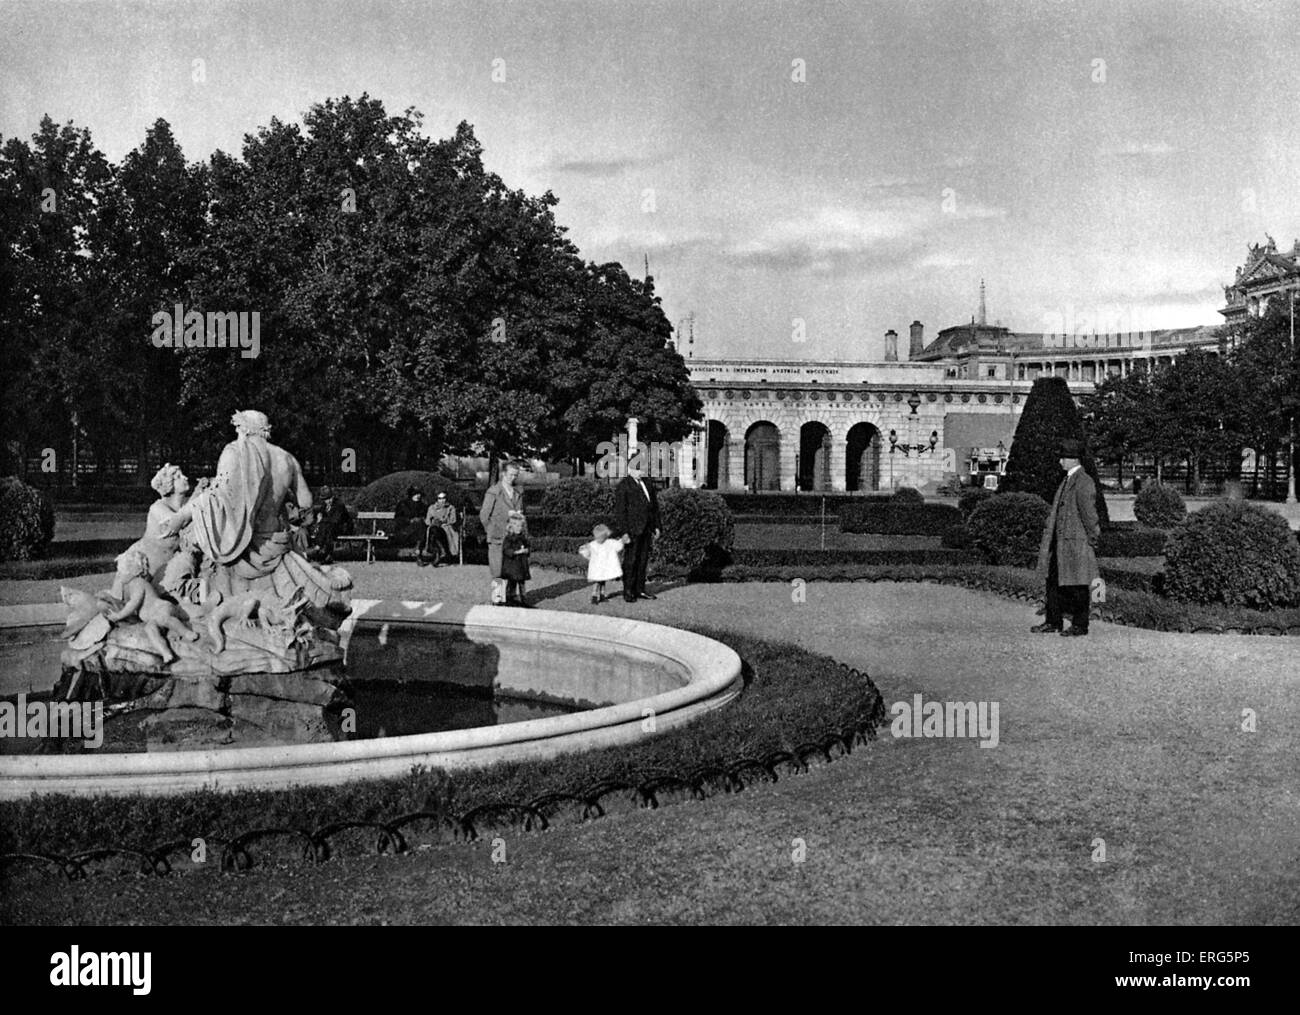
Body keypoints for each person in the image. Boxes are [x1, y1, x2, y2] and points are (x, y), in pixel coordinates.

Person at [1034, 438, 1101, 637]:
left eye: (1063, 457)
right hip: (1061, 543)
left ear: (1073, 459)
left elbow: (1090, 516)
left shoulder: (1083, 481)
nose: (1060, 461)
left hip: (1076, 543)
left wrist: (1092, 540)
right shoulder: (1068, 479)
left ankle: (1081, 625)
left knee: (1079, 585)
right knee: (1053, 582)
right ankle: (1053, 622)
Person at [479, 460, 525, 604]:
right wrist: (492, 530)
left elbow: (523, 515)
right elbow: (484, 515)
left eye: (515, 475)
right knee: (497, 569)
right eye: (511, 475)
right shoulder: (494, 492)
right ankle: (497, 598)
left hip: (514, 538)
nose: (513, 478)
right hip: (497, 537)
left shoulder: (518, 492)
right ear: (503, 474)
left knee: (514, 568)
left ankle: (511, 596)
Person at [613, 463, 660, 602]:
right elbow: (620, 512)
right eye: (638, 469)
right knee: (631, 560)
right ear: (630, 470)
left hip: (646, 528)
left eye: (642, 469)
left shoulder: (647, 483)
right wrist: (624, 532)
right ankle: (628, 590)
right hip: (632, 529)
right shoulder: (624, 485)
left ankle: (640, 589)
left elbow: (654, 507)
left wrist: (657, 526)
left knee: (643, 560)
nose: (641, 472)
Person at [578, 522, 623, 604]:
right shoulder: (593, 544)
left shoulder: (608, 543)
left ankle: (602, 594)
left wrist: (622, 541)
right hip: (597, 568)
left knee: (603, 581)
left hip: (603, 567)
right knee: (597, 582)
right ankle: (594, 595)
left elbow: (617, 545)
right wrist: (585, 548)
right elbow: (586, 552)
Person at [310, 485, 353, 564]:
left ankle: (319, 548)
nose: (326, 501)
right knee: (327, 528)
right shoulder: (325, 505)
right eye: (324, 499)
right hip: (330, 529)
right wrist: (320, 516)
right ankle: (327, 555)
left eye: (327, 499)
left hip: (343, 527)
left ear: (332, 497)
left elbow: (336, 520)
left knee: (327, 527)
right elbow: (322, 514)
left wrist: (321, 520)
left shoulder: (339, 505)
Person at [500, 510, 532, 607]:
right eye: (517, 526)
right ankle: (509, 599)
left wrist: (527, 551)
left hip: (521, 565)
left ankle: (524, 601)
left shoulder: (523, 538)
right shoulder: (509, 538)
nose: (520, 528)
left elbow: (528, 547)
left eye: (521, 526)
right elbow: (506, 550)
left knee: (522, 584)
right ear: (511, 527)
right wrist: (516, 552)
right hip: (512, 566)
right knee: (512, 583)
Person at [393, 486, 429, 564]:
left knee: (420, 525)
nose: (418, 495)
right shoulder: (403, 504)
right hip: (405, 530)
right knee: (419, 525)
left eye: (419, 494)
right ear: (411, 494)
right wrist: (410, 520)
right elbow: (398, 518)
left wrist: (421, 519)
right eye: (416, 494)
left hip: (419, 530)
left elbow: (426, 517)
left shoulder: (423, 506)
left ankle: (418, 552)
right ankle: (418, 553)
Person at [425, 491, 460, 565]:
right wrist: (433, 521)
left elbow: (453, 520)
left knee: (435, 532)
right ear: (437, 499)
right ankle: (440, 551)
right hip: (434, 528)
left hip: (445, 528)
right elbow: (427, 521)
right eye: (440, 498)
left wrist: (443, 521)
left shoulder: (450, 508)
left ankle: (437, 551)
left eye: (444, 498)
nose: (442, 500)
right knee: (433, 530)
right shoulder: (431, 508)